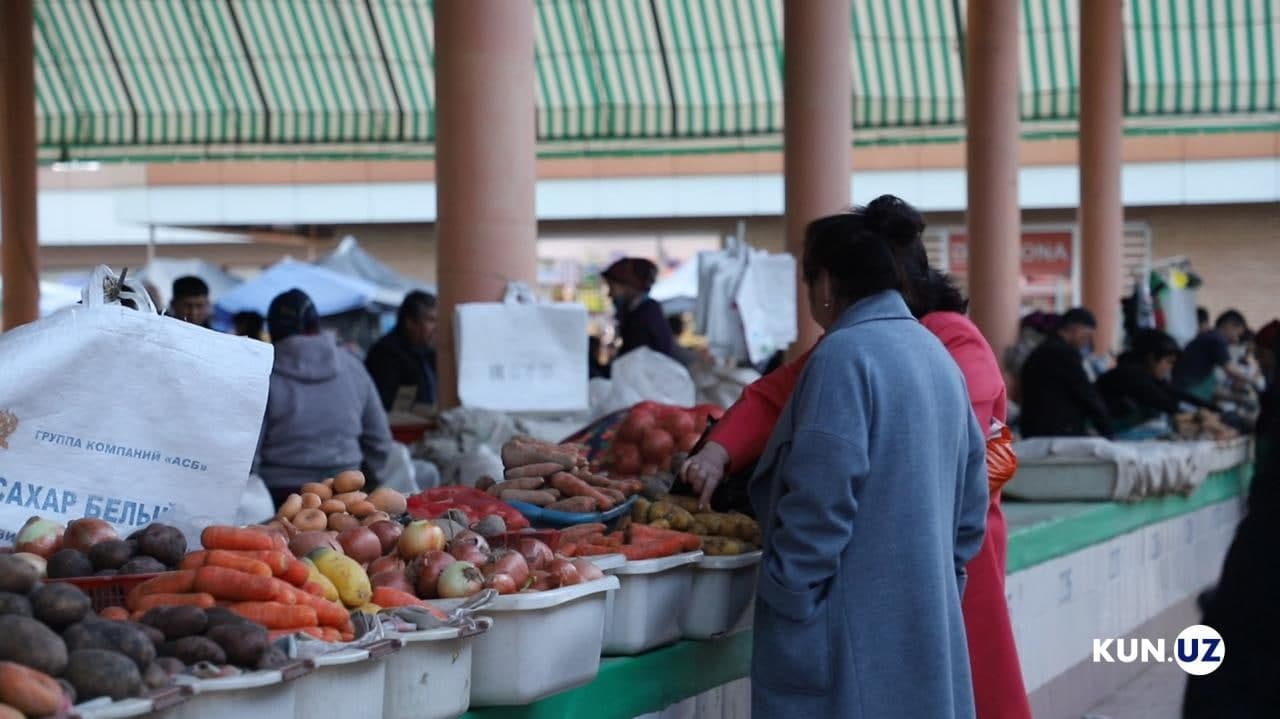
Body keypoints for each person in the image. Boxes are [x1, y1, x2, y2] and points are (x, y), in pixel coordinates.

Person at [683, 203, 1029, 719]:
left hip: (845, 633)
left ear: (825, 284)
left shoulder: (845, 355)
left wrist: (789, 597)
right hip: (919, 617)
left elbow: (818, 506)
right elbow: (971, 501)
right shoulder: (936, 354)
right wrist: (939, 584)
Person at [254, 289, 393, 506]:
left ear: (273, 330)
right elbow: (379, 439)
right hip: (346, 493)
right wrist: (370, 484)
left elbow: (249, 452)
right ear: (317, 324)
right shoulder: (352, 366)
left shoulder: (263, 374)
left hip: (281, 500)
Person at [1096, 329, 1217, 438]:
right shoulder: (1130, 374)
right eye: (1169, 362)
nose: (1170, 367)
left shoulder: (1147, 375)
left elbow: (1176, 394)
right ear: (1151, 358)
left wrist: (1212, 409)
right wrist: (1197, 415)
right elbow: (1162, 401)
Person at [1017, 308, 1112, 438]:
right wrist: (1108, 432)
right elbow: (1087, 394)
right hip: (1057, 432)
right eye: (1086, 336)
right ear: (1075, 329)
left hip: (1033, 429)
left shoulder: (1040, 350)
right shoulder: (1065, 355)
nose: (1087, 342)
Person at [365, 291, 438, 411]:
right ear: (410, 322)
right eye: (431, 320)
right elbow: (385, 402)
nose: (437, 327)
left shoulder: (430, 352)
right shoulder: (385, 353)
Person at [601, 258, 675, 359]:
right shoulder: (647, 311)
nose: (610, 294)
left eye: (612, 287)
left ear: (629, 286)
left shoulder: (642, 318)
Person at [1173, 309, 1252, 403]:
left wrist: (1239, 398)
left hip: (1183, 388)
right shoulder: (1217, 340)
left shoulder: (1208, 336)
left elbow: (1211, 390)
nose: (1236, 339)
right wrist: (1251, 381)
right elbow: (1230, 369)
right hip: (1187, 391)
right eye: (1237, 334)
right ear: (1228, 325)